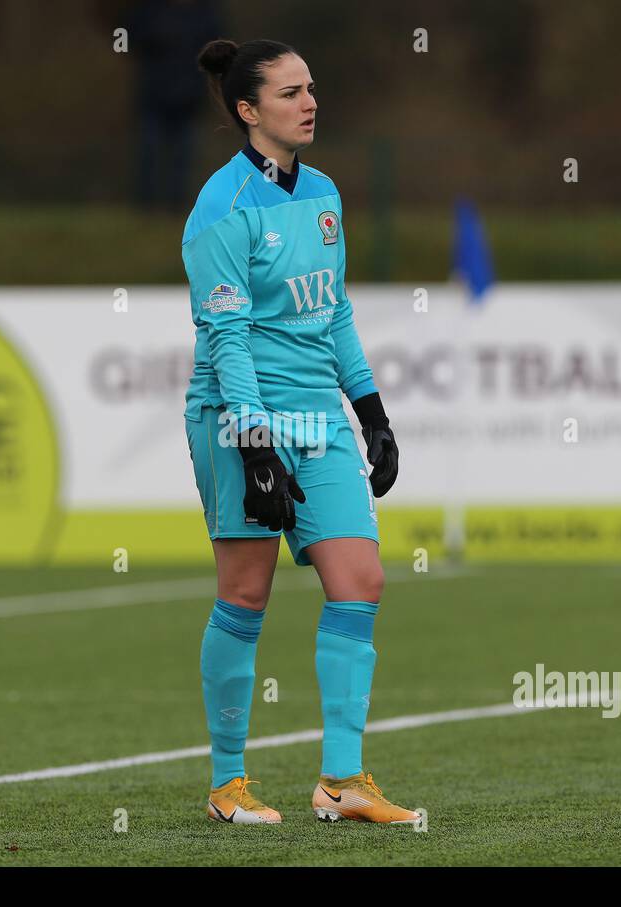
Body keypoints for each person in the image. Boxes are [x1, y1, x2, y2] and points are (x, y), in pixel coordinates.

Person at [181, 37, 418, 825]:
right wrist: (254, 448)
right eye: (289, 93)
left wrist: (371, 407)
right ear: (248, 111)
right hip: (237, 413)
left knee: (362, 580)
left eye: (311, 87)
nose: (309, 102)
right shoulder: (221, 208)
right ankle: (226, 785)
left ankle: (343, 783)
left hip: (318, 412)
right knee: (246, 594)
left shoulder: (323, 193)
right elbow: (229, 339)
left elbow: (335, 308)